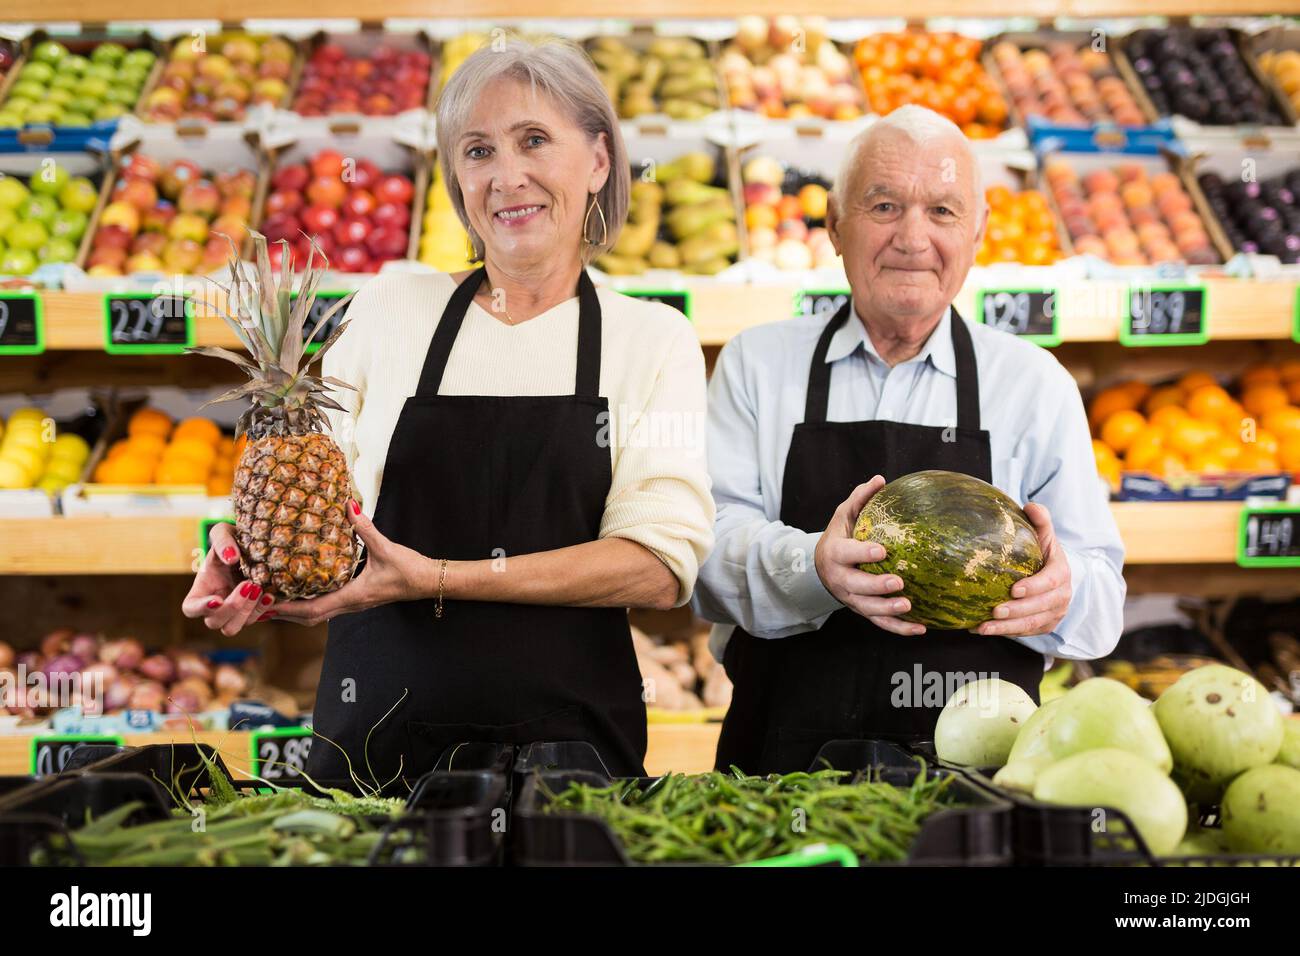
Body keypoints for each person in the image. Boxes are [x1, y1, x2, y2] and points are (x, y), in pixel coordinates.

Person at [183, 36, 714, 787]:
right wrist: (251, 558)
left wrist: (436, 577)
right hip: (373, 754)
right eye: (477, 151)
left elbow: (658, 567)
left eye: (534, 140)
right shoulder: (390, 308)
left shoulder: (651, 338)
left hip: (571, 759)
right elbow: (329, 504)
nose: (506, 177)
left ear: (598, 160)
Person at [693, 106, 1126, 774]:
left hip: (979, 780)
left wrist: (1063, 592)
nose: (912, 238)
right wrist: (814, 568)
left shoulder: (1035, 384)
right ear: (835, 225)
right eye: (885, 205)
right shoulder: (756, 365)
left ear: (979, 232)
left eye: (944, 211)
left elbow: (1103, 600)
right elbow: (702, 559)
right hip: (782, 771)